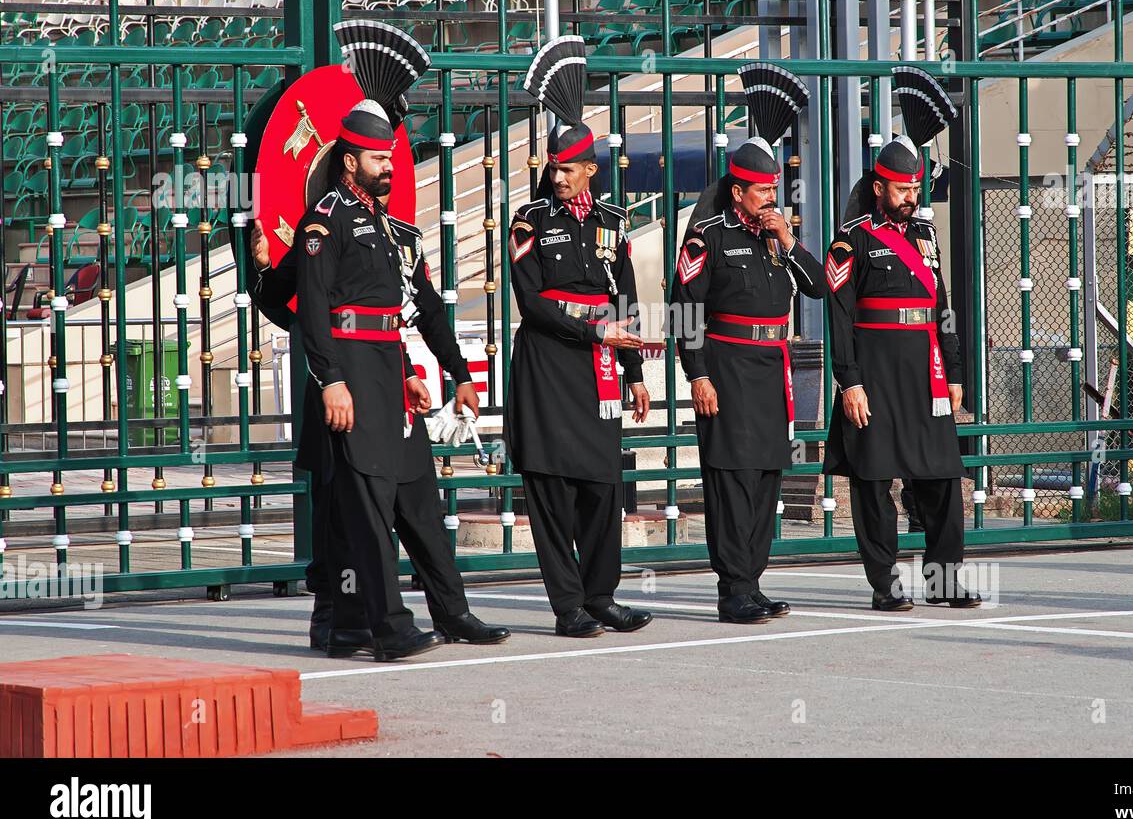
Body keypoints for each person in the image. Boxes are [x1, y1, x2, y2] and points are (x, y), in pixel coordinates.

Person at [249, 197, 511, 650]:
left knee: (417, 502)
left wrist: (447, 372)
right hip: (345, 385)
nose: (389, 165)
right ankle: (347, 623)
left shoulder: (398, 236)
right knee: (347, 512)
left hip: (390, 383)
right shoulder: (324, 226)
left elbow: (413, 313)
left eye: (391, 155)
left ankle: (450, 613)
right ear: (349, 163)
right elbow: (297, 309)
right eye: (379, 156)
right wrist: (329, 375)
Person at [505, 35, 653, 638]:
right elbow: (532, 302)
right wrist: (594, 330)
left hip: (602, 371)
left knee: (602, 484)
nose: (556, 176)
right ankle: (566, 604)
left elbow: (628, 299)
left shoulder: (615, 223)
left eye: (567, 168)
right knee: (551, 488)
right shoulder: (528, 221)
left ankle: (601, 596)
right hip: (547, 366)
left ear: (590, 168)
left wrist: (638, 373)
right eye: (552, 167)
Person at [671, 63, 824, 623]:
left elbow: (819, 288)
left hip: (771, 367)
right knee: (731, 479)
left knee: (765, 475)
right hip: (728, 367)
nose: (770, 197)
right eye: (761, 191)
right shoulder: (708, 237)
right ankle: (732, 586)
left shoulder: (776, 236)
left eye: (773, 190)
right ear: (738, 190)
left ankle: (753, 580)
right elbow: (683, 308)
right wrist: (698, 375)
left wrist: (788, 240)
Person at [823, 133, 980, 610]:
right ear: (878, 187)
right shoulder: (851, 239)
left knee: (942, 478)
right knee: (873, 481)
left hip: (925, 371)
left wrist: (954, 373)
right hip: (875, 374)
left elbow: (943, 310)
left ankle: (944, 580)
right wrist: (849, 382)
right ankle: (884, 584)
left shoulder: (927, 236)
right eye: (901, 190)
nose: (911, 198)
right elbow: (840, 316)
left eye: (916, 189)